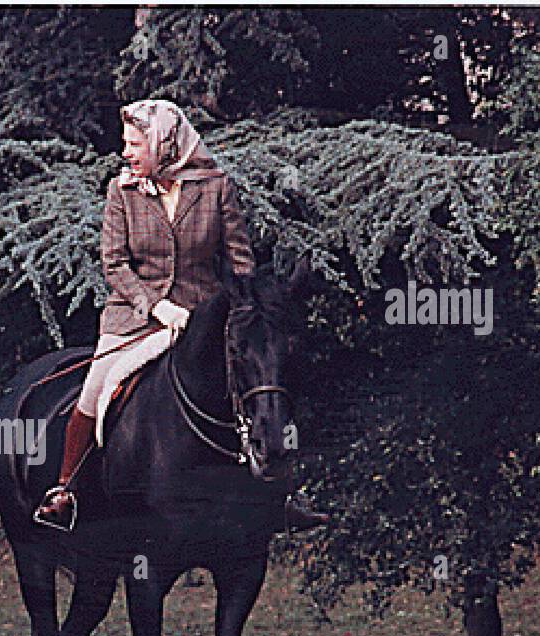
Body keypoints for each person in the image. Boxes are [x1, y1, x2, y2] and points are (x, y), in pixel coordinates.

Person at [33, 98, 328, 532]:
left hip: (204, 317)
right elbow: (114, 264)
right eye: (126, 143)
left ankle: (280, 494)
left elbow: (239, 259)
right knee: (95, 389)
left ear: (165, 144)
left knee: (263, 379)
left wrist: (248, 306)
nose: (126, 152)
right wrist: (154, 305)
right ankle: (66, 491)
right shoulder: (122, 191)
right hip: (133, 318)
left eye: (135, 144)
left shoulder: (216, 188)